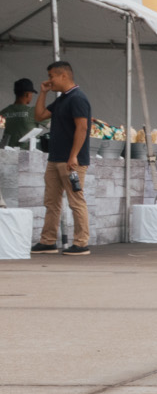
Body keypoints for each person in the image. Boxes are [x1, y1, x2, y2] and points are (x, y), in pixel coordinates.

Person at [28, 60, 92, 254]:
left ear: (63, 75)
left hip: (71, 160)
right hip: (55, 158)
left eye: (51, 76)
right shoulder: (63, 98)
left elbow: (82, 127)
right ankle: (48, 241)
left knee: (75, 201)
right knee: (51, 202)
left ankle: (81, 243)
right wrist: (44, 92)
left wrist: (73, 156)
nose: (50, 80)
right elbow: (39, 116)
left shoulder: (78, 98)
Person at [3, 77, 36, 149]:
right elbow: (53, 124)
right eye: (31, 94)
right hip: (27, 155)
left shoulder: (4, 112)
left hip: (8, 155)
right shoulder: (33, 112)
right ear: (27, 94)